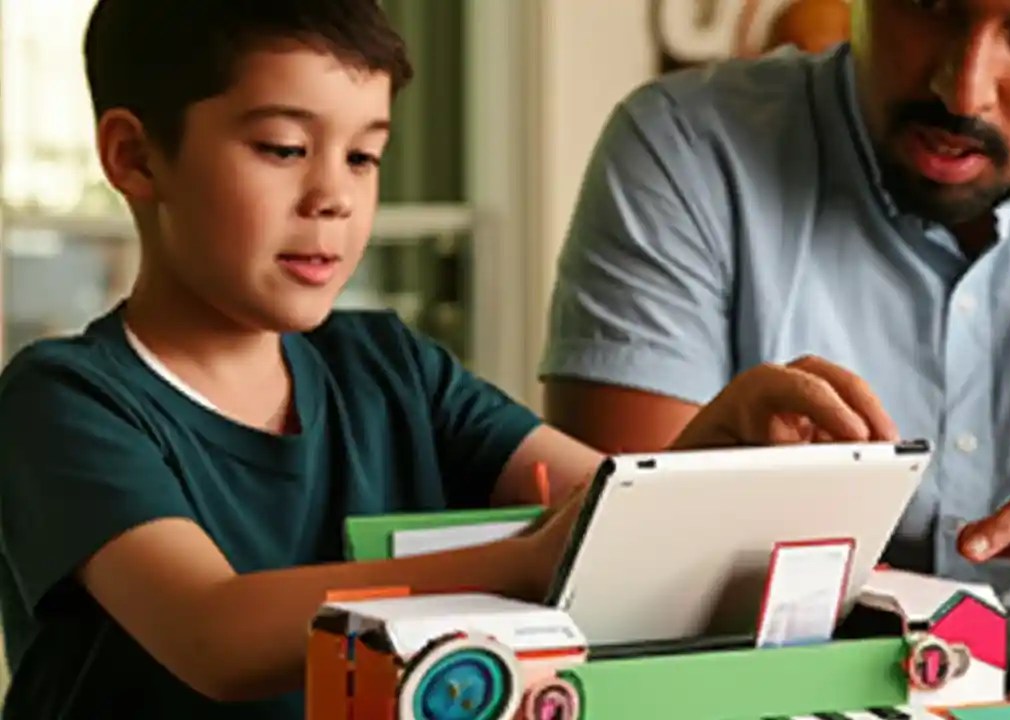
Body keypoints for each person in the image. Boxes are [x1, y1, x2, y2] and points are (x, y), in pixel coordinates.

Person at [0, 1, 884, 718]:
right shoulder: (64, 401)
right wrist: (527, 561)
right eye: (284, 149)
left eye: (364, 156)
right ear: (134, 156)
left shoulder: (391, 368)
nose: (333, 196)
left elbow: (606, 520)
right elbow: (216, 634)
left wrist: (710, 454)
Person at [542, 0, 1010, 667]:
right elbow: (613, 598)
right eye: (928, 7)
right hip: (782, 694)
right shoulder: (686, 147)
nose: (964, 91)